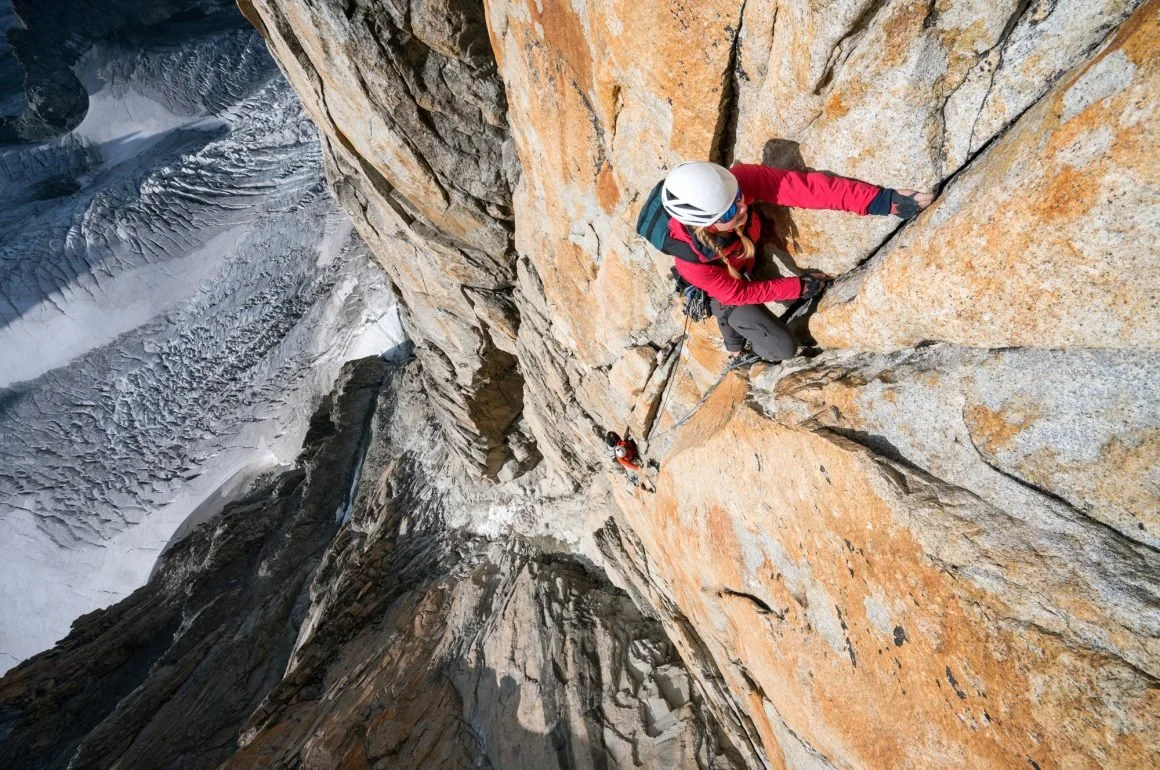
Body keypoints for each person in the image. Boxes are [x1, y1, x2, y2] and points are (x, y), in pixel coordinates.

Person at [656, 161, 932, 365]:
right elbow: (738, 293)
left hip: (737, 270)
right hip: (727, 288)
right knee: (782, 348)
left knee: (727, 300)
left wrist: (880, 201)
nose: (742, 206)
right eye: (729, 211)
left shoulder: (736, 185)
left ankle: (734, 346)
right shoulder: (694, 264)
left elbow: (805, 189)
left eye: (738, 196)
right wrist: (796, 287)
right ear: (708, 223)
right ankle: (736, 351)